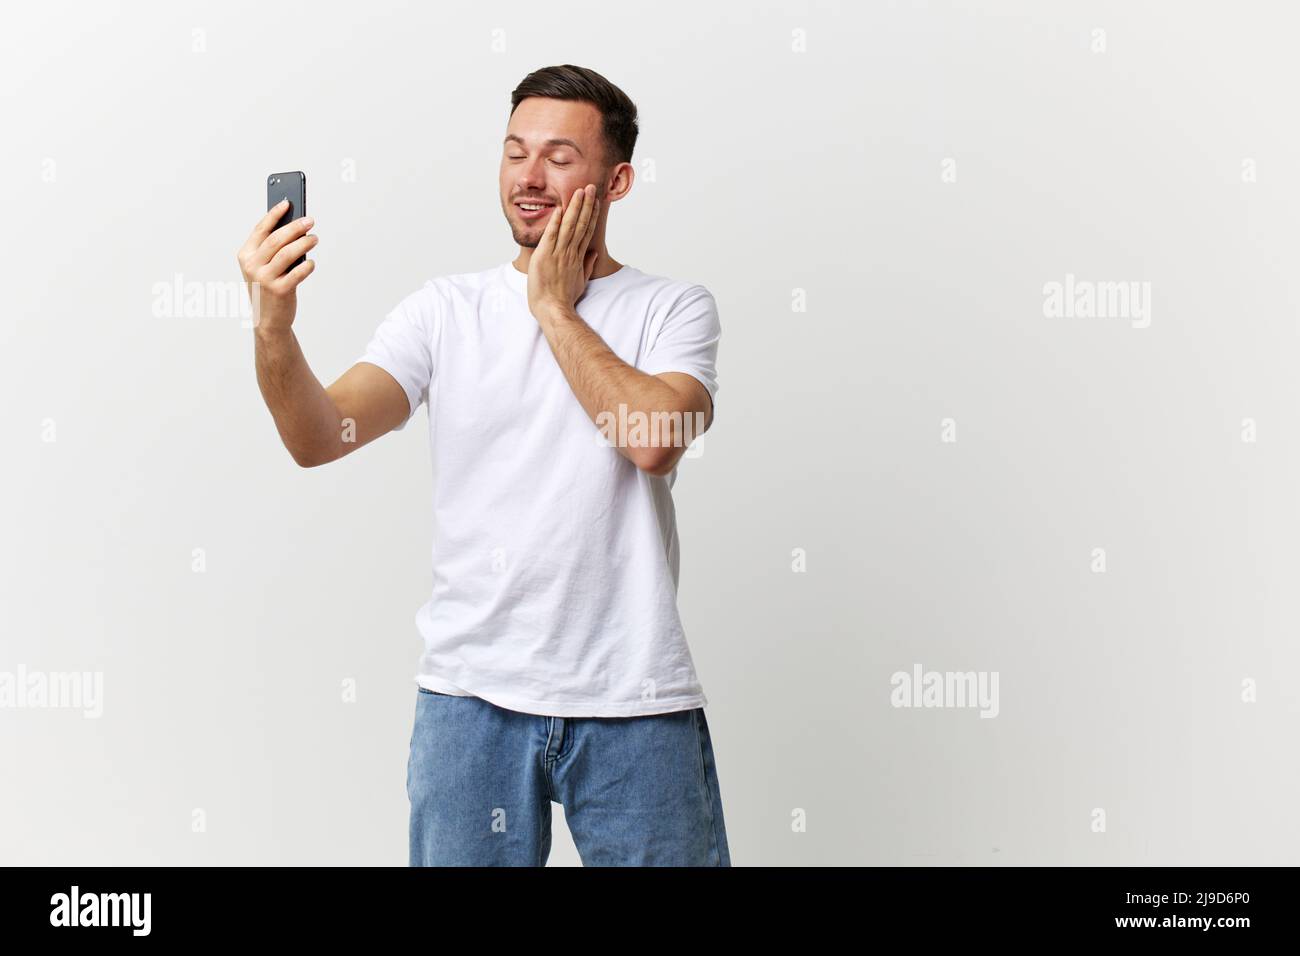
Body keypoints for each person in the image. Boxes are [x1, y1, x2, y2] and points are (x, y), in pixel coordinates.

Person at [237, 64, 729, 866]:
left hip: (634, 698)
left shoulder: (672, 309)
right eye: (514, 152)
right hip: (470, 704)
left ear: (618, 179)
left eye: (560, 158)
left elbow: (650, 435)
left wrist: (552, 307)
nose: (529, 179)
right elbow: (321, 436)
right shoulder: (443, 311)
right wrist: (272, 331)